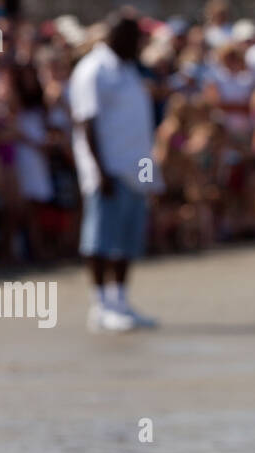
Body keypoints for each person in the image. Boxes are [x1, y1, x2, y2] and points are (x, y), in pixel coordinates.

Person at [69, 9, 163, 333]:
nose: (140, 44)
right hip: (108, 171)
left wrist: (150, 178)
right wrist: (99, 173)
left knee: (127, 241)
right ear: (118, 36)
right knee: (100, 241)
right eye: (136, 38)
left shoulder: (129, 70)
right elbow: (86, 123)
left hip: (137, 168)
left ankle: (120, 302)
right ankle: (101, 306)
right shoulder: (93, 70)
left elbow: (141, 130)